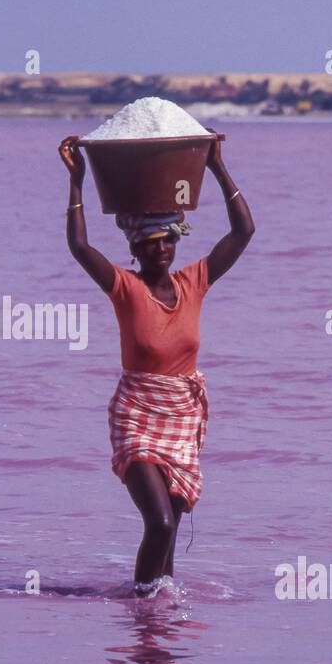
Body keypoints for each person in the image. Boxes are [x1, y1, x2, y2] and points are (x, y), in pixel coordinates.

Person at [59, 132, 254, 589]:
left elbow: (243, 232)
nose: (160, 251)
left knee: (169, 535)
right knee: (160, 523)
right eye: (149, 244)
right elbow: (80, 248)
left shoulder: (195, 282)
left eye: (167, 241)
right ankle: (143, 606)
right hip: (137, 416)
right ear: (135, 247)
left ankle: (157, 626)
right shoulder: (126, 289)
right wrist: (77, 181)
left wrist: (216, 168)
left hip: (181, 417)